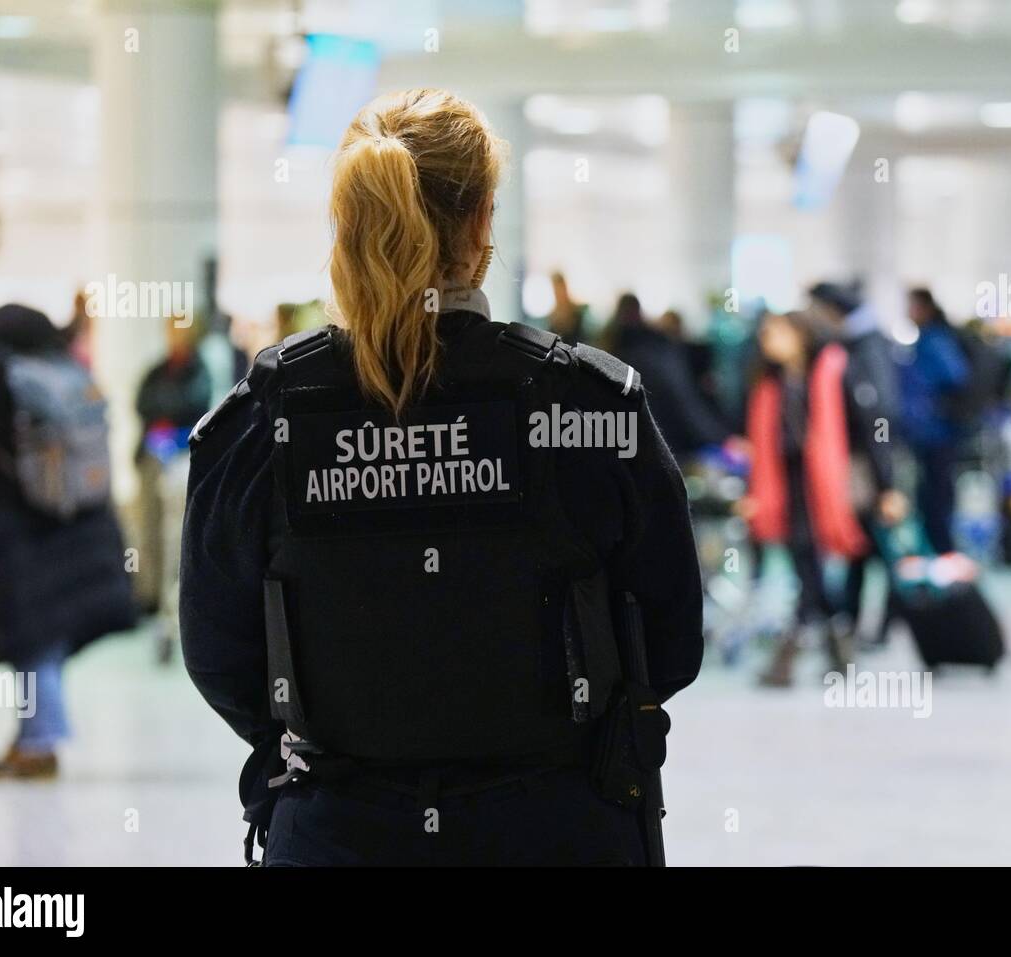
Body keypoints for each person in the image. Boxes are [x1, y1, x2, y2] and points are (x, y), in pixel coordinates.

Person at [180, 88, 703, 867]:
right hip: (556, 828)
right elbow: (671, 637)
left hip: (339, 831)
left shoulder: (264, 418)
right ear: (484, 219)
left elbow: (218, 650)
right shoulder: (590, 405)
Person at [0, 304, 135, 776]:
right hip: (67, 515)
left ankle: (40, 742)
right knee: (42, 627)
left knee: (31, 630)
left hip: (8, 521)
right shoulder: (48, 354)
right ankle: (35, 737)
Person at [745, 312, 845, 686]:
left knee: (808, 566)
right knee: (808, 567)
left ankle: (790, 656)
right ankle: (836, 646)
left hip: (820, 489)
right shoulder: (770, 384)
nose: (768, 340)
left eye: (776, 333)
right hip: (788, 489)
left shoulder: (829, 374)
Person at [806, 282, 909, 644]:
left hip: (866, 468)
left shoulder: (861, 349)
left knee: (880, 548)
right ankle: (855, 623)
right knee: (863, 549)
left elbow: (879, 418)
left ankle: (886, 622)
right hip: (862, 467)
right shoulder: (853, 346)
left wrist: (887, 483)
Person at [132, 318, 213, 614]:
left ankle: (176, 596)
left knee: (176, 532)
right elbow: (142, 402)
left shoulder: (198, 370)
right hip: (152, 456)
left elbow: (191, 404)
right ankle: (149, 593)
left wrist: (165, 415)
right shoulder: (158, 369)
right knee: (148, 525)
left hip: (180, 459)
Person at [607, 292, 730, 459]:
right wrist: (722, 438)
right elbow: (685, 403)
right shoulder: (658, 351)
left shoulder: (609, 351)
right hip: (669, 447)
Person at [899, 288, 971, 554]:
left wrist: (929, 404)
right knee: (929, 498)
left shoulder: (936, 341)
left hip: (939, 434)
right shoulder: (924, 340)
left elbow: (955, 376)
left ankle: (944, 551)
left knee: (938, 497)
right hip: (926, 434)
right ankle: (934, 550)